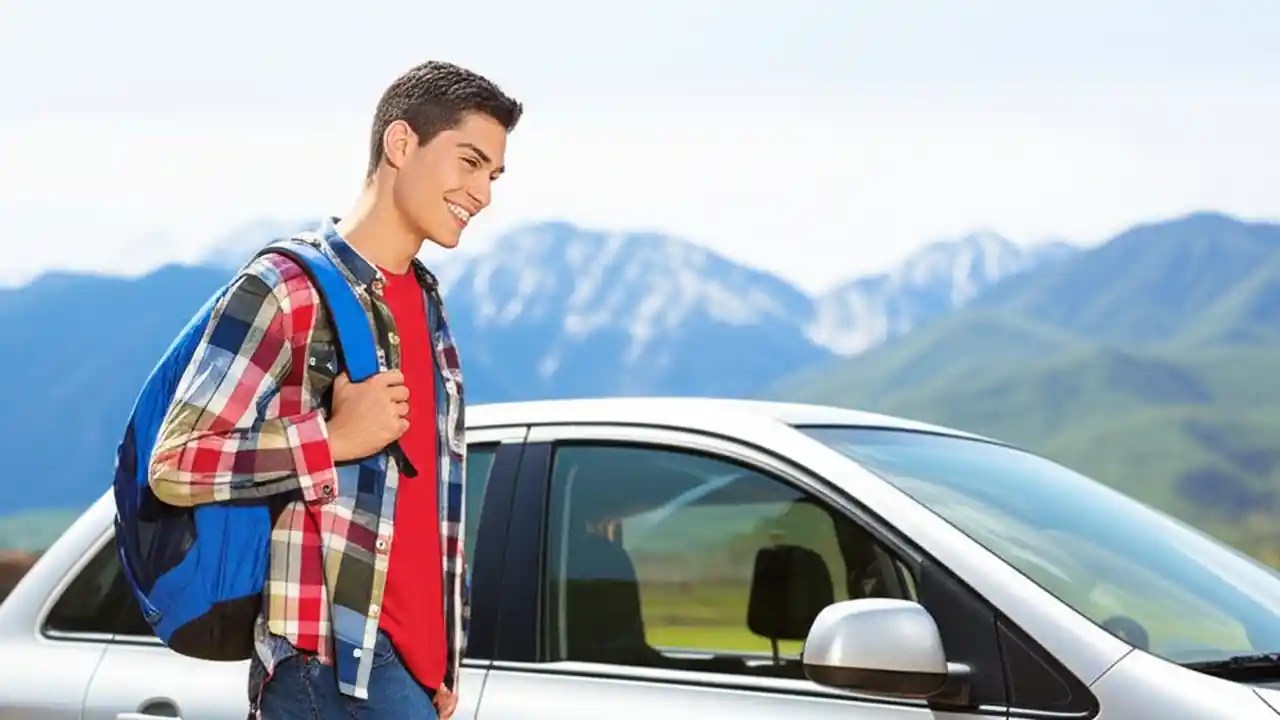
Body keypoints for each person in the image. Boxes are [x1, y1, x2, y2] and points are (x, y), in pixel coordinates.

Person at [145, 60, 522, 719]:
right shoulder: (287, 289)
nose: (483, 193)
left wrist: (439, 662)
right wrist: (332, 438)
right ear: (400, 144)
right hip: (328, 668)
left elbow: (428, 504)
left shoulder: (430, 308)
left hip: (410, 673)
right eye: (469, 162)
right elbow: (177, 462)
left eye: (492, 175)